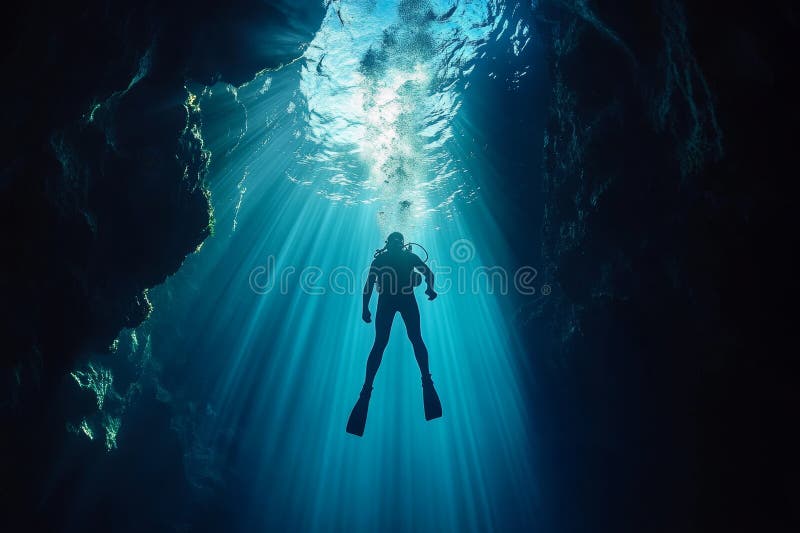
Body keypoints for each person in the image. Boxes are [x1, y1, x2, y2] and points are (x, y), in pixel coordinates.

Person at [346, 232, 442, 436]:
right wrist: (430, 289)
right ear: (393, 244)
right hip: (403, 300)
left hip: (389, 301)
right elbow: (429, 274)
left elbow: (369, 286)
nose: (397, 246)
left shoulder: (381, 259)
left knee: (382, 343)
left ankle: (367, 389)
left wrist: (365, 308)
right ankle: (426, 379)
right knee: (411, 340)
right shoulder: (406, 257)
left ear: (389, 244)